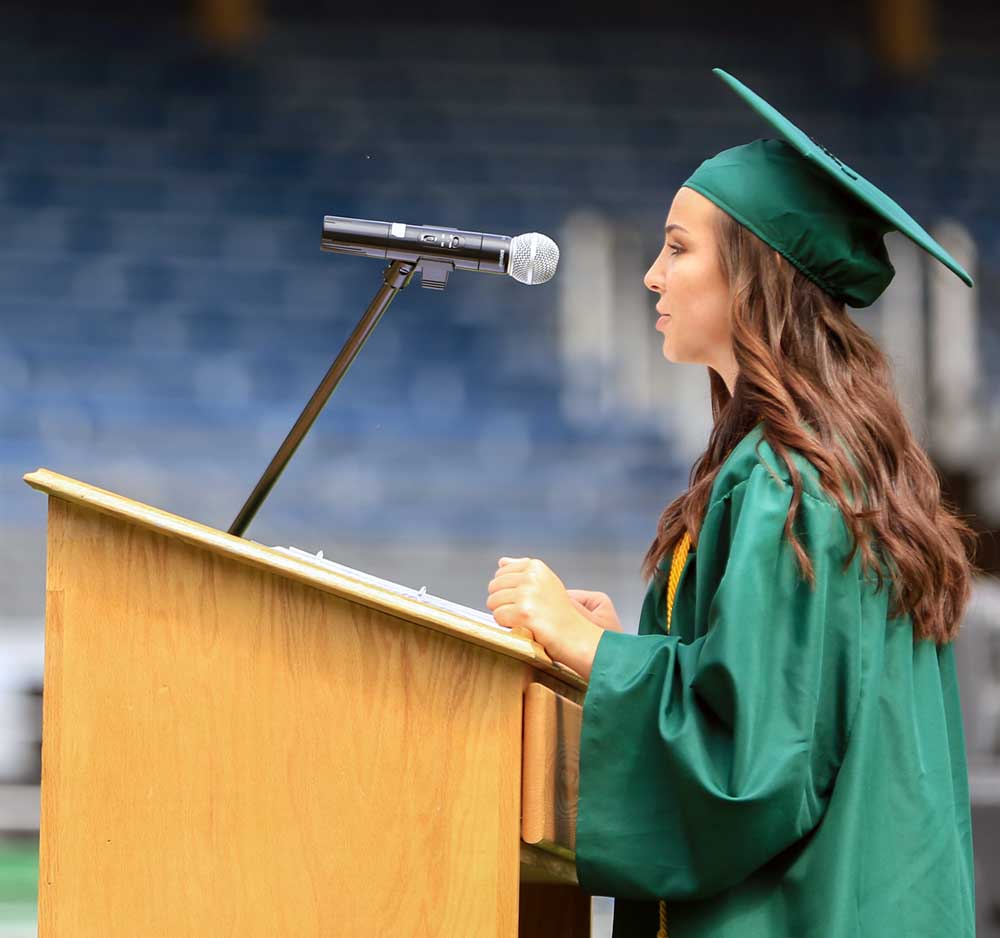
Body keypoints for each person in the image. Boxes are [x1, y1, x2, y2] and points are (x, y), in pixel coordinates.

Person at [485, 68, 979, 937]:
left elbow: (754, 759)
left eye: (677, 248)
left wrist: (594, 649)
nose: (649, 275)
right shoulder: (837, 466)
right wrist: (635, 652)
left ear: (755, 276)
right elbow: (781, 696)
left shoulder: (787, 482)